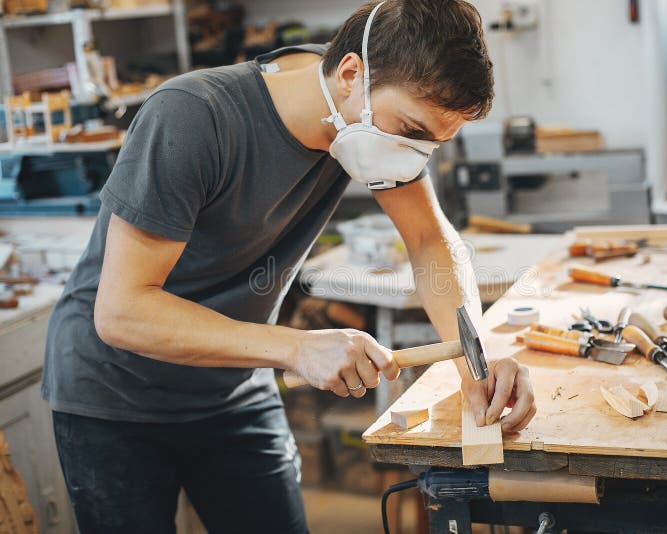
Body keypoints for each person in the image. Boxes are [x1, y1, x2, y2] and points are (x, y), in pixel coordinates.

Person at [42, 1, 536, 532]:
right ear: (350, 73)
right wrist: (296, 348)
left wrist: (475, 365)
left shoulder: (365, 114)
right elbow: (121, 312)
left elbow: (430, 241)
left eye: (433, 144)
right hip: (115, 395)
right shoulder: (193, 116)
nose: (414, 155)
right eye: (411, 131)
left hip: (231, 384)